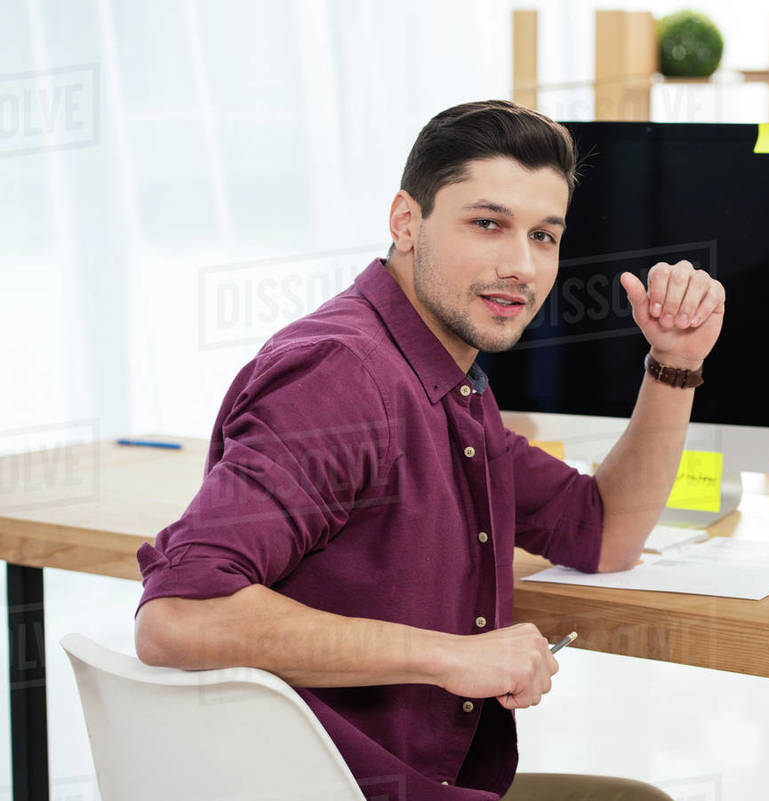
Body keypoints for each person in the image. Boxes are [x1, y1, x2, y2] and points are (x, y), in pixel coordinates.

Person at [133, 99, 725, 800]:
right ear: (405, 222)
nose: (521, 265)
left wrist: (674, 363)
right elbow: (177, 617)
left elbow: (605, 530)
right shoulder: (343, 377)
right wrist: (449, 656)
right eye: (488, 223)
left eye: (543, 235)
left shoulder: (443, 380)